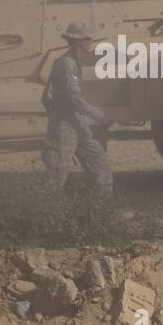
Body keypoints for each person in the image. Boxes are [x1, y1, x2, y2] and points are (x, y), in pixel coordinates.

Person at [41, 22, 112, 199]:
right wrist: (100, 117)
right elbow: (73, 98)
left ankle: (102, 213)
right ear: (78, 41)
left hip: (77, 126)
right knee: (57, 176)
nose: (91, 43)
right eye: (88, 39)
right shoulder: (67, 64)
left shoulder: (71, 62)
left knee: (102, 169)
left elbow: (46, 97)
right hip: (65, 127)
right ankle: (47, 217)